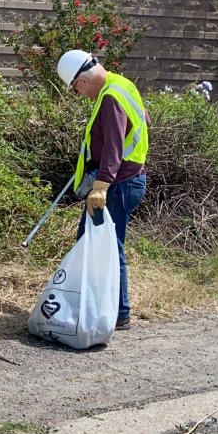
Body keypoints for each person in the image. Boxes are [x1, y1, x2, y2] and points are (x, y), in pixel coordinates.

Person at [56, 49, 149, 331]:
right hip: (128, 179)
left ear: (81, 80)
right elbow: (144, 121)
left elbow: (114, 145)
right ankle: (91, 304)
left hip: (117, 185)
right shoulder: (121, 84)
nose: (80, 94)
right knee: (90, 242)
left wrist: (101, 185)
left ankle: (119, 313)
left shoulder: (109, 97)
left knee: (108, 247)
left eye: (75, 89)